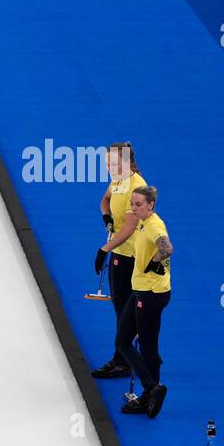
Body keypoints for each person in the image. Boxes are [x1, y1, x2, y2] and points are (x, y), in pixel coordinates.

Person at [91, 142, 149, 379]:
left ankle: (125, 361)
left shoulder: (137, 188)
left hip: (133, 256)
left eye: (114, 164)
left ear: (127, 162)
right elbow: (104, 200)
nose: (110, 168)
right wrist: (106, 218)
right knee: (121, 309)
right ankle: (137, 354)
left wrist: (104, 249)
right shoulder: (118, 180)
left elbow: (129, 227)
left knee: (126, 311)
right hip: (120, 253)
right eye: (107, 164)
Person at [113, 186, 172, 418]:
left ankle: (150, 391)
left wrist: (155, 261)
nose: (133, 208)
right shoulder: (142, 222)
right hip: (140, 290)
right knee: (123, 340)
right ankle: (151, 387)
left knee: (147, 345)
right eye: (132, 204)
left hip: (151, 294)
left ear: (151, 205)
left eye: (138, 204)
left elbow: (167, 247)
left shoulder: (154, 225)